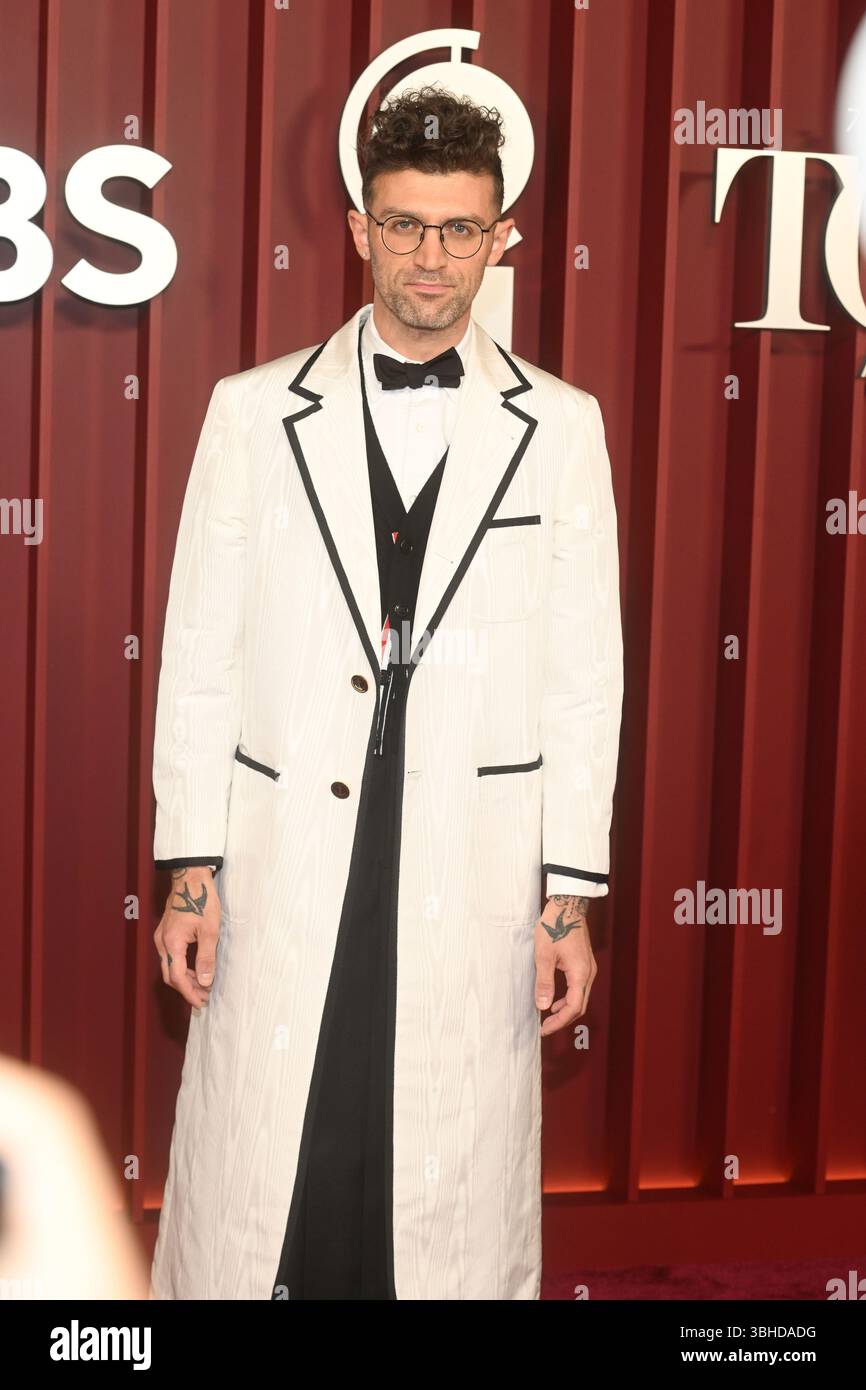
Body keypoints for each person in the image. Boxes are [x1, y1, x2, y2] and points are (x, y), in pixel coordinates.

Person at [149, 84, 623, 1301]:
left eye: (458, 229)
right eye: (405, 225)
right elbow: (199, 647)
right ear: (359, 229)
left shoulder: (562, 428)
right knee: (277, 1177)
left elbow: (583, 676)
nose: (431, 255)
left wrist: (568, 894)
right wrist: (189, 868)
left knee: (436, 1193)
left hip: (468, 853)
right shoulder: (251, 415)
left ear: (499, 237)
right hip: (287, 847)